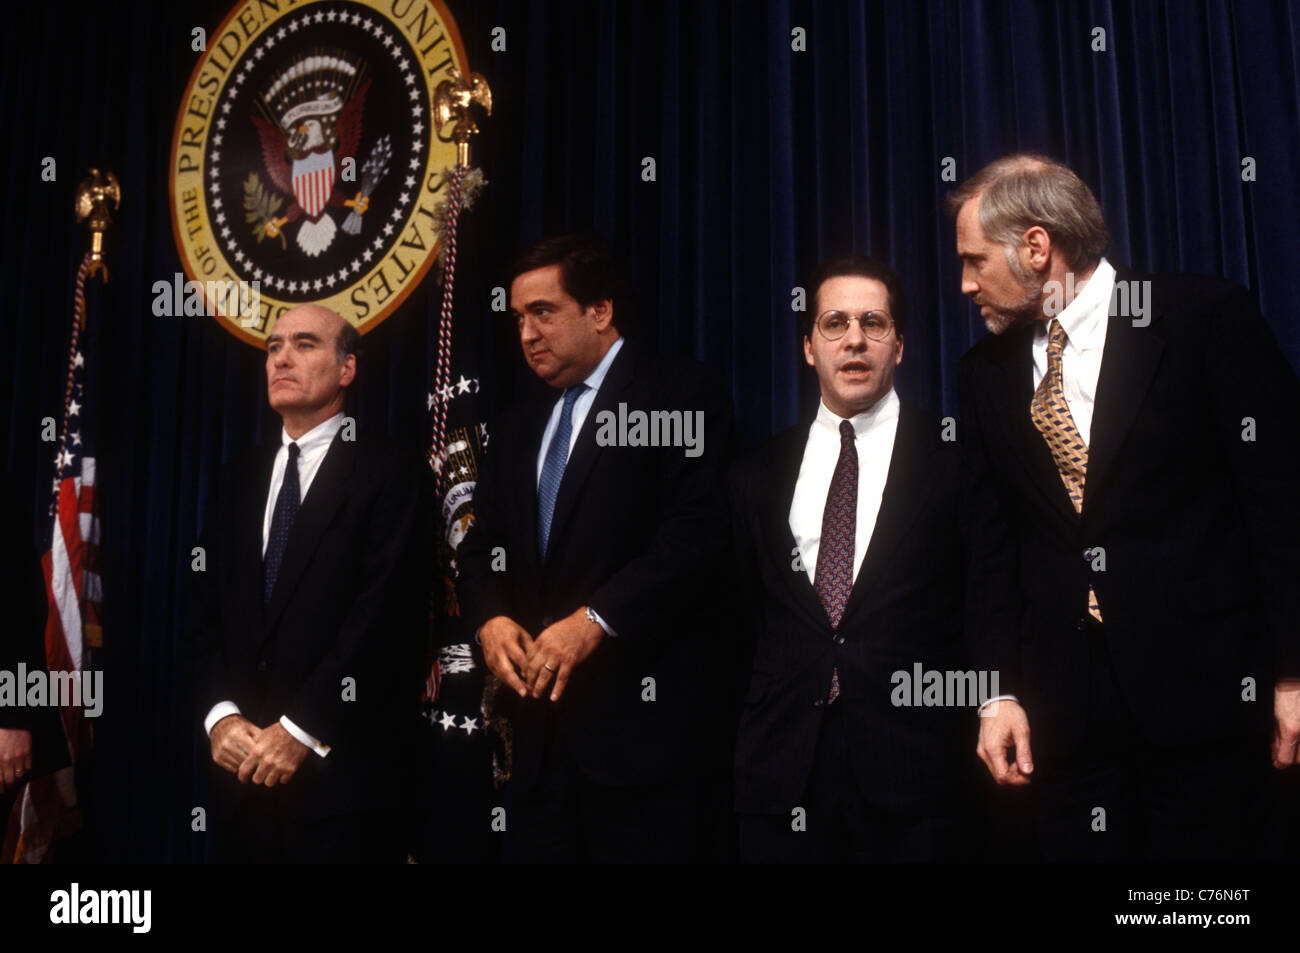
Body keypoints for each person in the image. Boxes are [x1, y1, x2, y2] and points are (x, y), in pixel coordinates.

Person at [953, 153, 1300, 861]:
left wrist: (1294, 671)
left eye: (974, 260)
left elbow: (1282, 501)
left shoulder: (1203, 318)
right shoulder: (982, 375)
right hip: (1066, 723)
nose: (964, 283)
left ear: (1037, 246)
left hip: (1208, 704)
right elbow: (990, 551)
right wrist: (996, 693)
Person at [457, 232, 733, 862]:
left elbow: (698, 537)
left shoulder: (679, 395)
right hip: (535, 756)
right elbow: (479, 547)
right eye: (518, 318)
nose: (526, 333)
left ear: (600, 311)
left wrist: (596, 620)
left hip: (644, 756)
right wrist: (490, 617)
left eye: (543, 312)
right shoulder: (519, 425)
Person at [729, 255, 974, 862]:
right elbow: (736, 623)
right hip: (781, 775)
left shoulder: (957, 459)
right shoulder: (753, 473)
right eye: (834, 323)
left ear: (900, 346)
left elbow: (988, 601)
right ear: (810, 347)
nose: (855, 339)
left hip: (917, 780)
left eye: (874, 322)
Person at [191, 304, 433, 863]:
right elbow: (203, 611)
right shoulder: (237, 478)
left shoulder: (391, 471)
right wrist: (219, 715)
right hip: (239, 778)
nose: (282, 358)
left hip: (343, 784)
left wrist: (300, 730)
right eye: (274, 347)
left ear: (346, 369)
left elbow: (384, 615)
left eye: (304, 344)